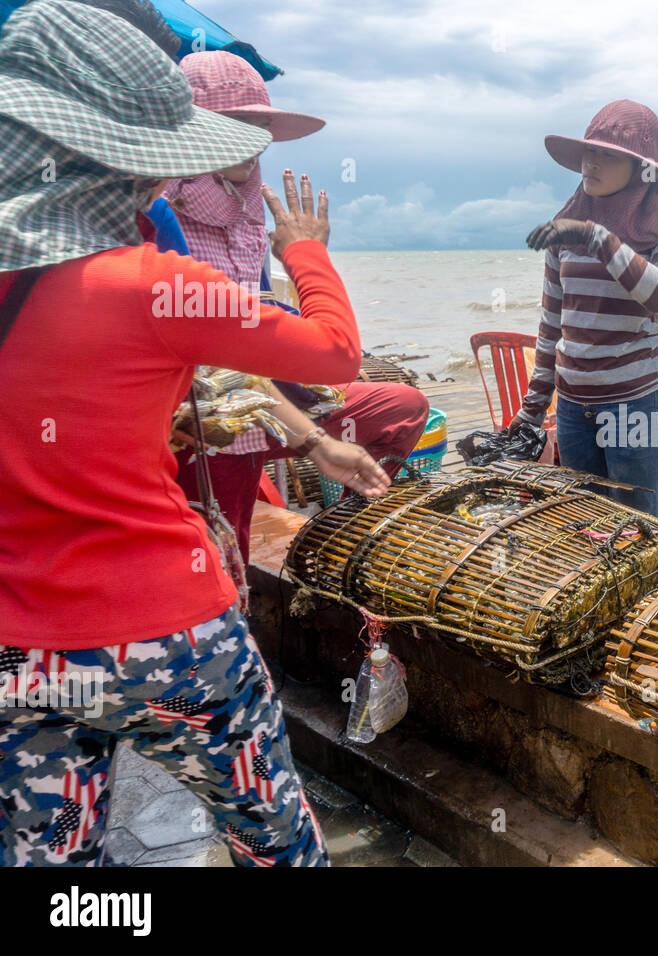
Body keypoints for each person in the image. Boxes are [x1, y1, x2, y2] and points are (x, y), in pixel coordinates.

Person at [0, 0, 351, 865]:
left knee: (55, 865)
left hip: (20, 649)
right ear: (126, 163)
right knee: (274, 842)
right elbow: (335, 352)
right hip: (165, 633)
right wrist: (307, 249)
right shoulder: (151, 283)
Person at [162, 51, 428, 563]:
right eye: (233, 125)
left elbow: (256, 331)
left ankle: (338, 534)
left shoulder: (245, 220)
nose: (253, 140)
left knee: (402, 407)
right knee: (219, 559)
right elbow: (237, 364)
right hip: (202, 422)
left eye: (260, 125)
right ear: (188, 131)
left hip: (260, 400)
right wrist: (308, 253)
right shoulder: (165, 220)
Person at [516, 100, 658, 518]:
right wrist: (532, 410)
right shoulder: (566, 225)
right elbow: (552, 325)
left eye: (607, 154)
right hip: (573, 407)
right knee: (587, 524)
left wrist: (597, 237)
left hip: (635, 404)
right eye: (589, 152)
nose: (590, 162)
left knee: (638, 525)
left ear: (639, 168)